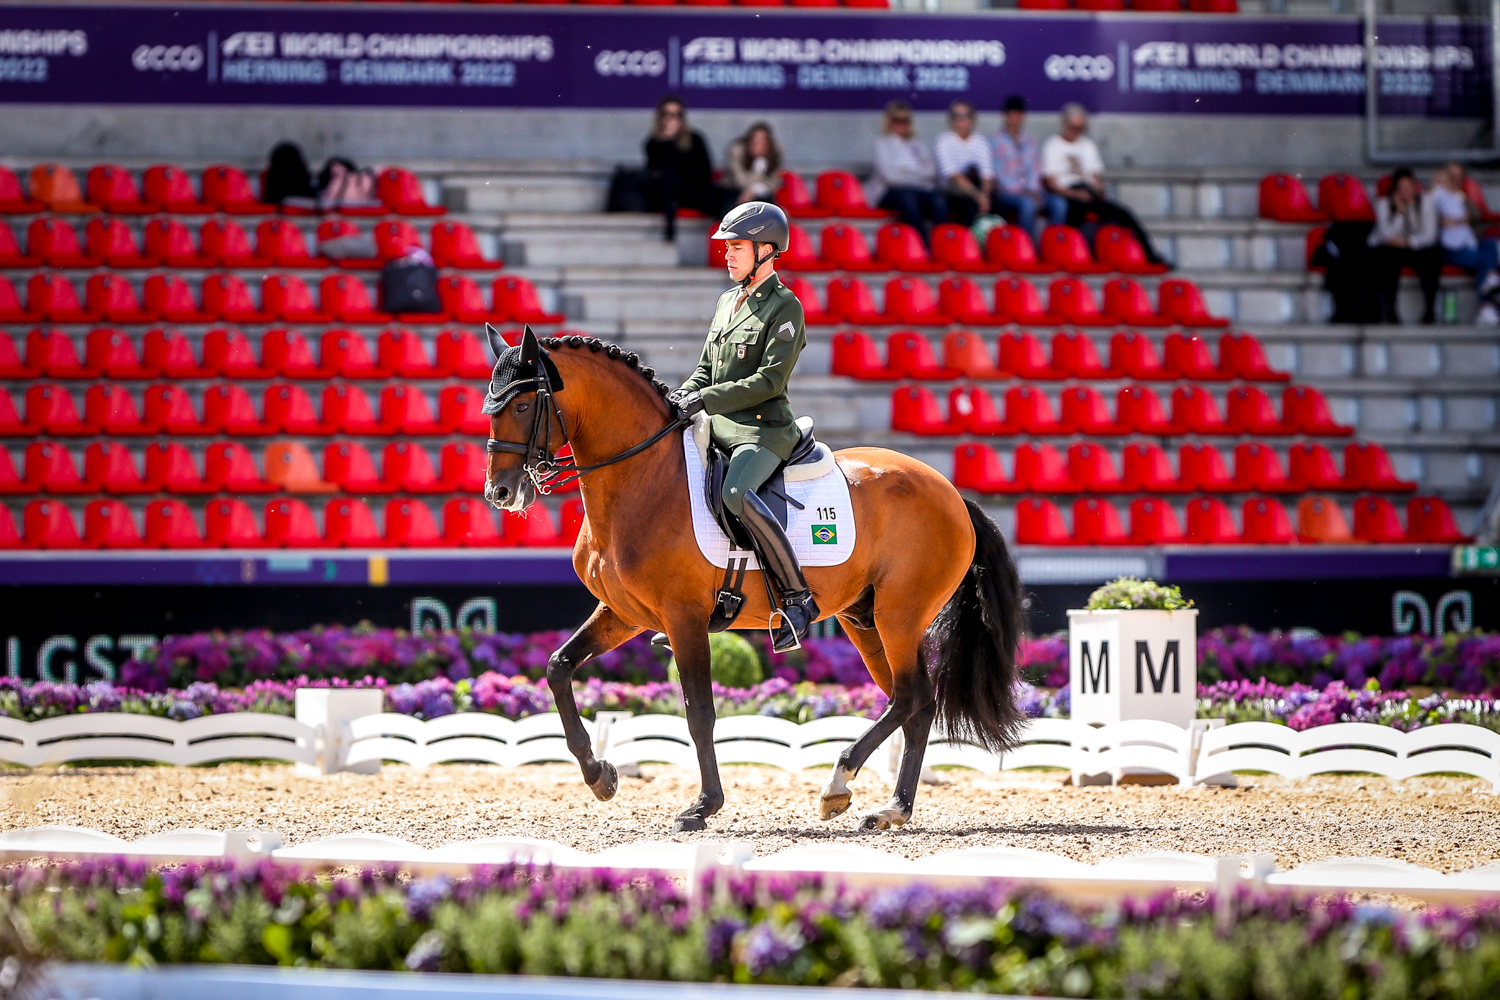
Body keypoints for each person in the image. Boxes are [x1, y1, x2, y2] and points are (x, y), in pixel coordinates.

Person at [668, 202, 817, 653]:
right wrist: (678, 396)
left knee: (735, 495)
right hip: (717, 427)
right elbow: (704, 369)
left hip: (763, 430)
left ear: (766, 250)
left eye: (736, 247)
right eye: (726, 247)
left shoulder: (786, 307)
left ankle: (797, 599)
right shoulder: (726, 301)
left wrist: (705, 399)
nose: (727, 255)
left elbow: (769, 382)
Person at [1041, 103, 1167, 267]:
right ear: (1065, 124)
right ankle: (1080, 256)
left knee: (1124, 213)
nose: (1077, 131)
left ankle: (1151, 254)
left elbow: (1095, 177)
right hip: (1069, 193)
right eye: (1074, 127)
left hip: (1089, 192)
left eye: (1080, 128)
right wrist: (1076, 195)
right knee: (1076, 215)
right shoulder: (1053, 145)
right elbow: (1051, 183)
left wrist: (1099, 191)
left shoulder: (1087, 145)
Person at [643, 95, 732, 242]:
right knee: (670, 177)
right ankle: (669, 229)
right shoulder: (653, 143)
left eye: (677, 115)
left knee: (724, 193)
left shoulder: (695, 139)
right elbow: (656, 170)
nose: (672, 120)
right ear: (660, 117)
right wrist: (668, 143)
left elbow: (704, 170)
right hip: (666, 194)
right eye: (667, 114)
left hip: (692, 191)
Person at [865, 100, 948, 243]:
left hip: (919, 190)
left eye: (905, 120)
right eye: (896, 120)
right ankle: (922, 243)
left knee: (939, 199)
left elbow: (931, 172)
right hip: (888, 192)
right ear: (889, 122)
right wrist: (918, 174)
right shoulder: (881, 143)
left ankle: (942, 242)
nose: (901, 124)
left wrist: (905, 172)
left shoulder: (918, 144)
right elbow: (891, 178)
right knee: (908, 198)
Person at [1366, 167, 1440, 324]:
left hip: (1414, 247)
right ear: (1395, 190)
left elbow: (1430, 235)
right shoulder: (1383, 204)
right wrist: (1400, 212)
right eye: (1402, 188)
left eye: (1409, 187)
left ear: (1415, 186)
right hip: (1390, 249)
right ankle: (1391, 309)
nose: (1406, 191)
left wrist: (1409, 241)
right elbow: (1387, 235)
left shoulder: (1426, 201)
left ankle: (1430, 310)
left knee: (1431, 257)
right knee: (1388, 259)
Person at [1431, 162, 1500, 324]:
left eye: (1458, 176)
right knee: (1485, 260)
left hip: (1469, 244)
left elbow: (1477, 214)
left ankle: (1490, 284)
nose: (1454, 179)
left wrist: (1461, 203)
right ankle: (1487, 303)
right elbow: (1426, 219)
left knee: (1490, 244)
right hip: (1448, 248)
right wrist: (1441, 221)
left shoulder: (1461, 196)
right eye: (1451, 175)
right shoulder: (1434, 194)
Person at [992, 95, 1066, 244]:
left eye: (1018, 113)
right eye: (1011, 113)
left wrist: (1032, 190)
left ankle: (1052, 246)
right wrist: (1023, 191)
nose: (1015, 117)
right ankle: (1024, 247)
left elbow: (1035, 169)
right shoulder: (994, 141)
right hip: (1007, 192)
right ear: (1005, 115)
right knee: (1028, 204)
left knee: (1059, 203)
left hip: (1032, 191)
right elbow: (995, 174)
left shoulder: (1029, 141)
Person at [933, 100, 994, 227]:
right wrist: (978, 197)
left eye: (966, 115)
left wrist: (985, 196)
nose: (961, 119)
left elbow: (987, 173)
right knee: (968, 205)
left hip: (977, 189)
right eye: (957, 115)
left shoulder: (980, 140)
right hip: (952, 190)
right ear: (951, 119)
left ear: (972, 119)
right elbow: (954, 175)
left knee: (998, 204)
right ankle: (963, 244)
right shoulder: (944, 140)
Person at [725, 122, 782, 205]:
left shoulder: (775, 152)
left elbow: (773, 182)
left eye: (762, 141)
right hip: (734, 192)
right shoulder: (736, 151)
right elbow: (739, 181)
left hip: (762, 194)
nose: (757, 144)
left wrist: (754, 190)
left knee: (770, 206)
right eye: (754, 140)